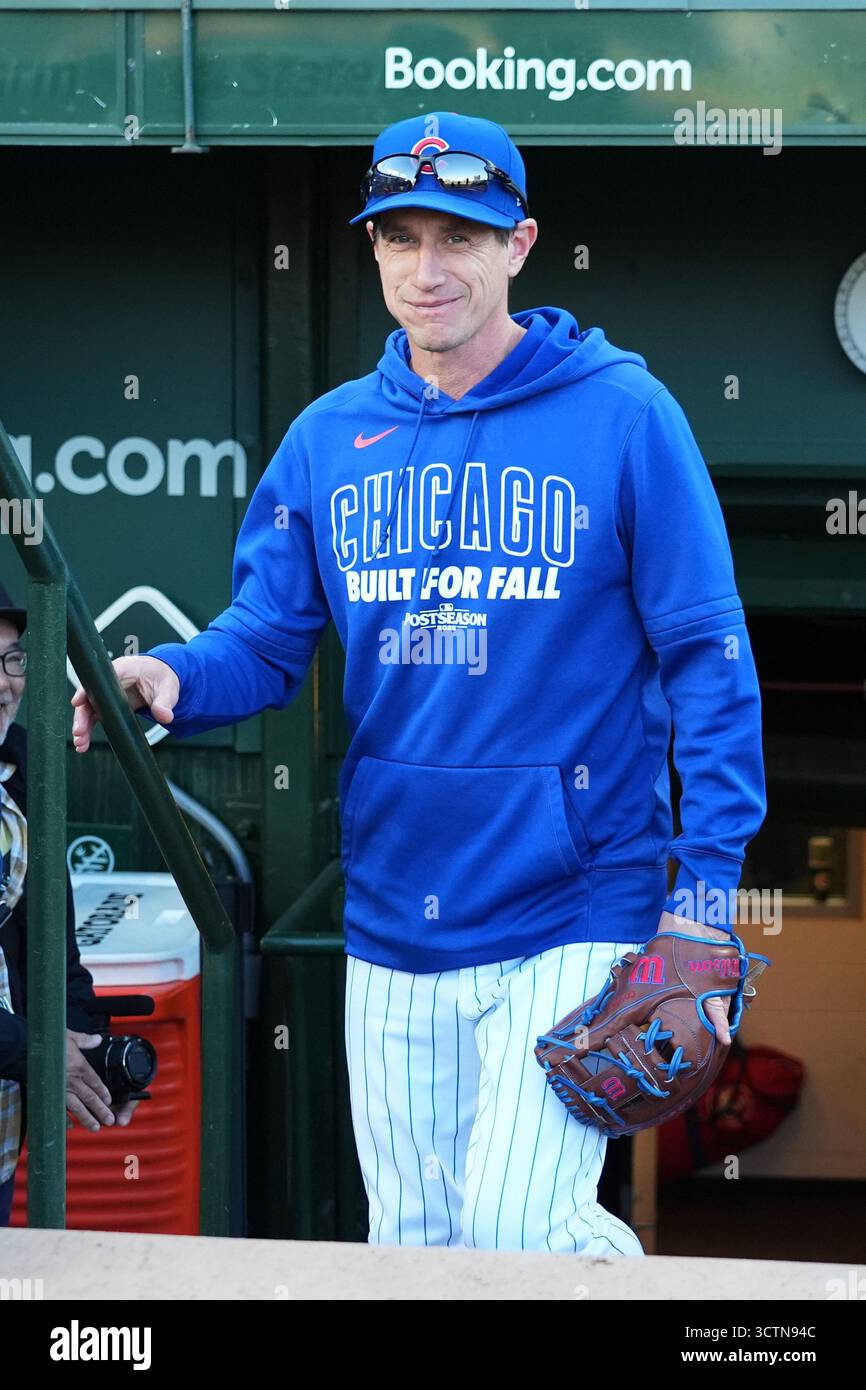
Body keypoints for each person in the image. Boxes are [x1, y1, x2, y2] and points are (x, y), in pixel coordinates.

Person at [71, 112, 766, 1255]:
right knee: (417, 1245)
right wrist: (171, 676)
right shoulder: (326, 436)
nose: (428, 267)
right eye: (401, 238)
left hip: (576, 898)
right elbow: (265, 635)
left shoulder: (625, 416)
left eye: (461, 235)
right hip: (395, 906)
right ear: (375, 250)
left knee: (513, 1224)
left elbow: (708, 657)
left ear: (519, 245)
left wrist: (704, 892)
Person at [0, 583, 137, 1227]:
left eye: (12, 659)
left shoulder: (24, 764)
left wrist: (84, 1041)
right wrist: (36, 1051)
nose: (4, 683)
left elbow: (47, 932)